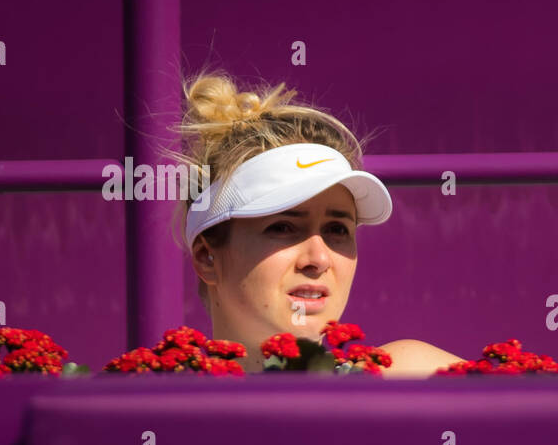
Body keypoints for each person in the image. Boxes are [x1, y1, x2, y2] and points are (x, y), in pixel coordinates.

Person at [173, 74, 463, 375]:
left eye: (337, 229)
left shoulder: (411, 376)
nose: (319, 259)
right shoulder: (151, 404)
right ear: (207, 257)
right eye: (283, 227)